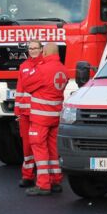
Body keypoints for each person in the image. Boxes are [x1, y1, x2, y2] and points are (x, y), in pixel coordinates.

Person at [22, 42, 67, 196]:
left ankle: (43, 184)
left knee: (39, 148)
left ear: (45, 52)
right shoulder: (63, 69)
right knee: (53, 149)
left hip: (41, 117)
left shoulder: (42, 69)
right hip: (55, 116)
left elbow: (27, 84)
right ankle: (56, 180)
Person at [15, 40, 43, 188]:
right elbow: (19, 90)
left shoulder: (44, 66)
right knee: (26, 146)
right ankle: (27, 176)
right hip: (25, 114)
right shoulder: (24, 66)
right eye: (30, 48)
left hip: (40, 112)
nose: (32, 51)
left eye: (35, 48)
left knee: (39, 144)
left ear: (41, 49)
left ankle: (44, 176)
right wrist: (17, 110)